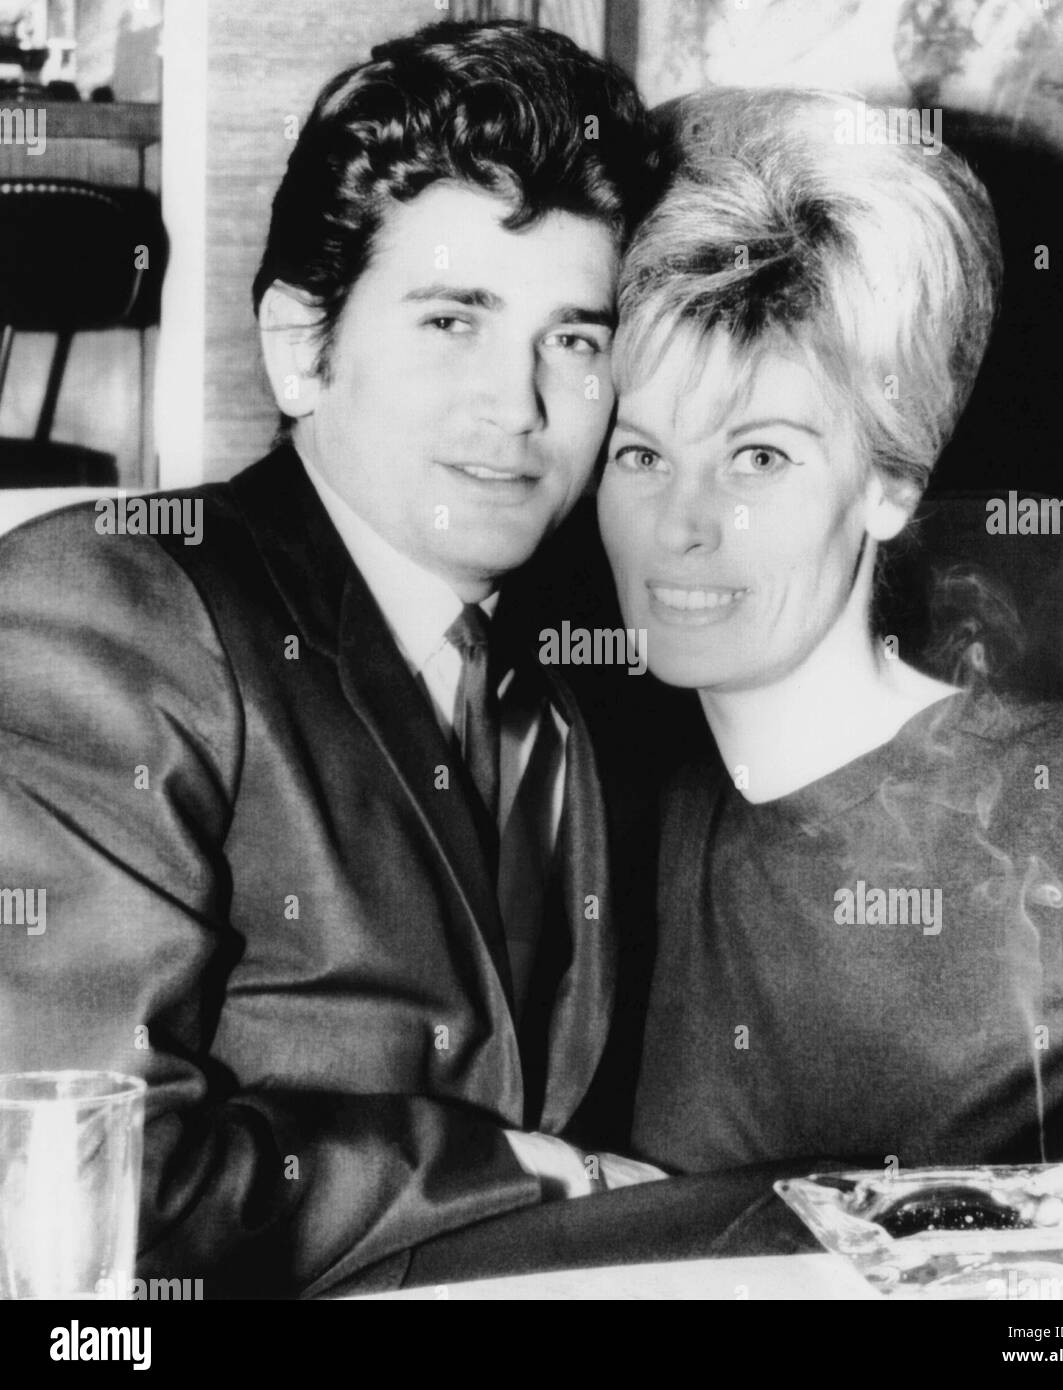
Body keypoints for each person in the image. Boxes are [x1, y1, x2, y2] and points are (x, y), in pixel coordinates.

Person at [0, 19, 667, 1299]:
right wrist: (529, 1177)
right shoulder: (106, 607)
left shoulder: (572, 675)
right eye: (450, 321)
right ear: (302, 348)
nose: (518, 405)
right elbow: (74, 1189)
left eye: (573, 339)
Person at [597, 87, 1063, 1216]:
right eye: (639, 455)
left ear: (888, 483)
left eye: (758, 456)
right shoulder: (620, 812)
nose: (682, 520)